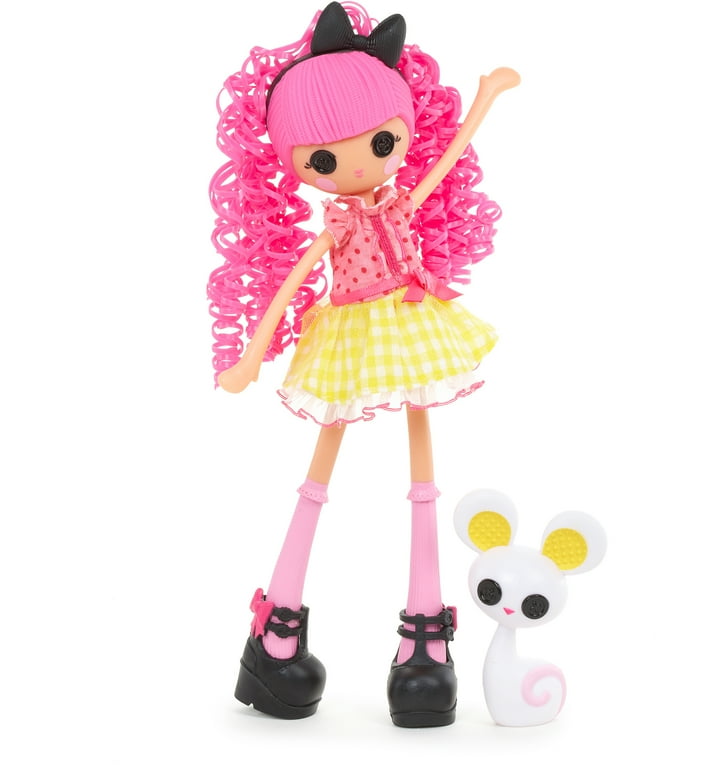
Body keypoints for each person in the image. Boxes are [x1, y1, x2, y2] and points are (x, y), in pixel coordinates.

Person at [208, 1, 520, 726]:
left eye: (380, 142)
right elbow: (291, 282)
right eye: (322, 160)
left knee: (420, 458)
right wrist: (250, 357)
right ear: (292, 162)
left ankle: (425, 636)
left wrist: (486, 97)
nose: (354, 166)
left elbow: (448, 157)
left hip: (409, 318)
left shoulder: (398, 204)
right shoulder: (339, 224)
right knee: (322, 468)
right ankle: (277, 630)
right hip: (350, 332)